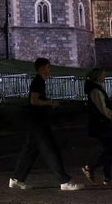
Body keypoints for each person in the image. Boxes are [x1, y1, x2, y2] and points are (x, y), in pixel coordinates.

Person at [10, 58, 84, 191]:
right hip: (38, 122)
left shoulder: (39, 82)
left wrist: (50, 103)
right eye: (48, 67)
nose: (50, 70)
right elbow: (34, 101)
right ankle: (65, 181)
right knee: (51, 150)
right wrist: (50, 103)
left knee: (30, 151)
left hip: (36, 122)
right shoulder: (38, 81)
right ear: (42, 69)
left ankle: (16, 179)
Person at [82, 67, 112, 185]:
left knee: (108, 149)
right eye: (103, 75)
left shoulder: (96, 89)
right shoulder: (96, 90)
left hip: (101, 124)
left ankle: (107, 176)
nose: (104, 76)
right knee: (110, 149)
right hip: (101, 124)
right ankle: (91, 167)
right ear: (97, 76)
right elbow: (103, 109)